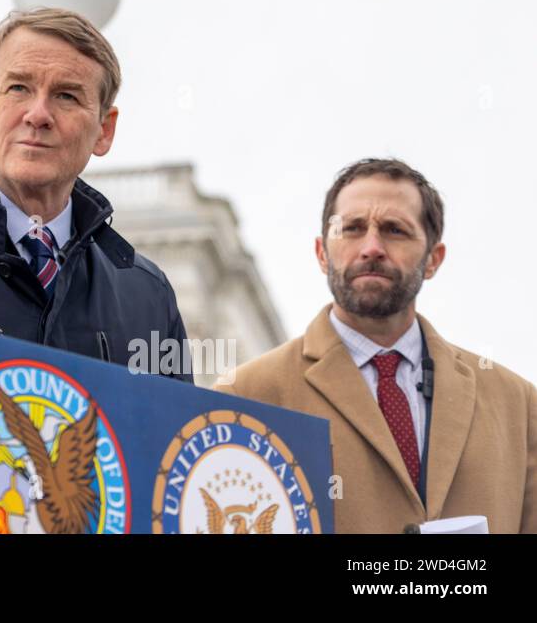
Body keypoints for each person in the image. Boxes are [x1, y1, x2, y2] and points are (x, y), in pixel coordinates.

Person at [217, 158, 536, 533]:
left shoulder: (518, 405)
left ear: (434, 259)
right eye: (351, 229)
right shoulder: (247, 395)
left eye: (395, 230)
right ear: (322, 253)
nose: (371, 247)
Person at [0, 7, 191, 381]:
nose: (38, 114)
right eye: (19, 88)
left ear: (104, 131)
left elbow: (170, 436)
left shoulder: (147, 296)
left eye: (67, 96)